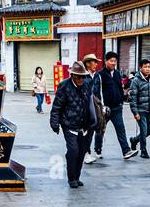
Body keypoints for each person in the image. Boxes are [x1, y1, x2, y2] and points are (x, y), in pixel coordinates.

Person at [49, 60, 98, 189]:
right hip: (69, 124)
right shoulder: (64, 86)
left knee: (82, 152)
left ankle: (77, 176)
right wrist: (54, 123)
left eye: (84, 76)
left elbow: (92, 103)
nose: (82, 79)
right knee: (73, 150)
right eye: (79, 76)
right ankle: (71, 179)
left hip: (85, 125)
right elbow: (57, 107)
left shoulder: (87, 84)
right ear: (73, 76)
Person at [94, 51, 138, 161]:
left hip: (117, 108)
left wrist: (121, 100)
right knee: (100, 129)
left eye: (115, 61)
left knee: (121, 129)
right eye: (111, 61)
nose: (113, 63)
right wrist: (100, 106)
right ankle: (97, 149)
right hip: (105, 109)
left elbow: (120, 88)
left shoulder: (117, 73)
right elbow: (97, 91)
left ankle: (126, 151)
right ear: (106, 61)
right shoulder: (100, 75)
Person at [128, 58, 150, 159]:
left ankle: (134, 140)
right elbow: (132, 98)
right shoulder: (136, 81)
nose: (147, 69)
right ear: (140, 68)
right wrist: (135, 112)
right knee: (144, 129)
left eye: (149, 67)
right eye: (145, 67)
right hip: (141, 110)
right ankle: (143, 150)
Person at [82, 53, 105, 164]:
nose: (96, 64)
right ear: (87, 63)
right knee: (86, 131)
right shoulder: (82, 75)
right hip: (85, 107)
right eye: (94, 62)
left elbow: (100, 91)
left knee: (92, 130)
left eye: (96, 62)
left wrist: (102, 106)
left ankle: (87, 152)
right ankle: (86, 153)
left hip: (95, 106)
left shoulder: (97, 76)